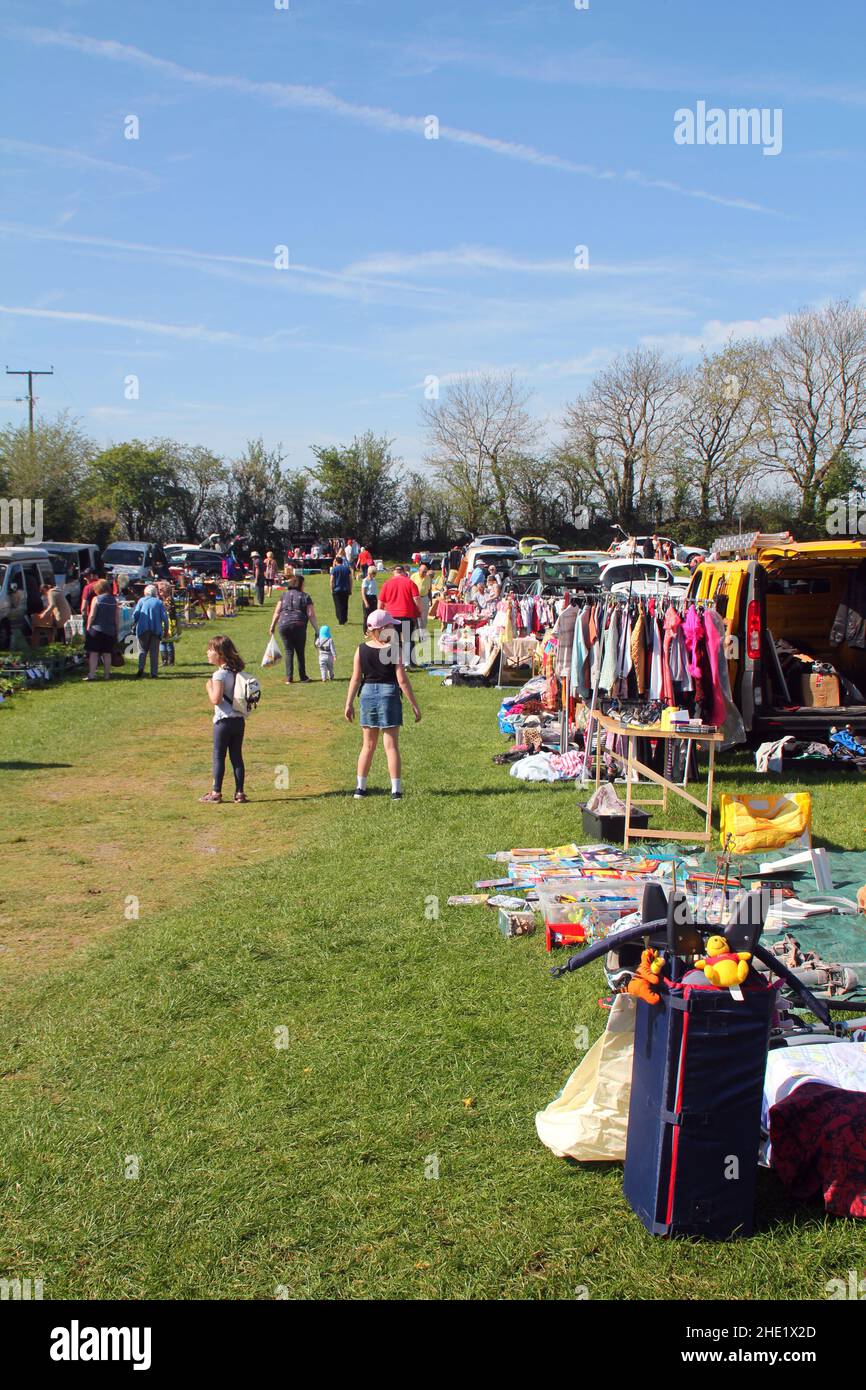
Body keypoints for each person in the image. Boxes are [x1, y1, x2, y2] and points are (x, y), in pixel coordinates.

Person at [344, 609, 421, 799]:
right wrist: (414, 704)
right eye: (391, 625)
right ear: (383, 628)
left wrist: (349, 703)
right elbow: (402, 680)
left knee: (367, 745)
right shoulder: (394, 649)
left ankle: (360, 788)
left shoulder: (361, 649)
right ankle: (396, 790)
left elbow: (355, 679)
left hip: (367, 694)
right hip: (389, 694)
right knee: (391, 746)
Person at [201, 635, 248, 804]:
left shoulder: (219, 675)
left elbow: (216, 699)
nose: (207, 652)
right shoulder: (237, 672)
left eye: (211, 650)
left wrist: (209, 687)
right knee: (237, 756)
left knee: (218, 756)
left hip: (223, 721)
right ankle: (240, 793)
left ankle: (216, 792)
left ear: (220, 654)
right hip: (238, 720)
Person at [269, 575, 318, 683]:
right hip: (299, 625)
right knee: (300, 651)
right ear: (300, 584)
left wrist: (272, 626)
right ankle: (303, 676)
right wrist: (316, 629)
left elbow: (277, 612)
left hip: (283, 625)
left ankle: (289, 677)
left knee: (288, 651)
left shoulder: (283, 595)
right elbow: (311, 614)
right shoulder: (306, 596)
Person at [378, 564, 421, 665]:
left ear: (394, 572)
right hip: (407, 615)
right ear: (403, 572)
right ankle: (407, 662)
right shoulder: (410, 582)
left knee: (394, 639)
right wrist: (419, 611)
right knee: (407, 639)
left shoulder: (387, 583)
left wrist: (380, 614)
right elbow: (417, 599)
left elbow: (380, 602)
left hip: (392, 616)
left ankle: (395, 661)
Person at [84, 578, 119, 681]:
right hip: (110, 630)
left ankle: (92, 674)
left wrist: (88, 627)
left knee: (94, 653)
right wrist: (116, 630)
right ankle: (107, 675)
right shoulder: (114, 600)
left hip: (96, 629)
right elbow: (116, 618)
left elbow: (92, 615)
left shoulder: (96, 599)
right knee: (107, 653)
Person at [131, 584, 169, 679]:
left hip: (143, 629)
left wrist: (134, 623)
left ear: (145, 593)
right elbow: (165, 618)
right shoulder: (159, 602)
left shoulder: (141, 601)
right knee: (154, 652)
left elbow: (135, 616)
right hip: (156, 630)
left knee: (142, 651)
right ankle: (154, 673)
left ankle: (140, 669)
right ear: (155, 593)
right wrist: (166, 630)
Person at [157, 580, 178, 666]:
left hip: (169, 623)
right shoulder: (160, 599)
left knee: (169, 641)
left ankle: (170, 661)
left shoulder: (169, 599)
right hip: (162, 622)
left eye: (161, 590)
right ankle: (164, 661)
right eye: (158, 590)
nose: (159, 591)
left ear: (166, 590)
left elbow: (169, 611)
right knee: (162, 641)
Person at [330, 549, 353, 625]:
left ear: (336, 562)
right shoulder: (347, 569)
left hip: (337, 589)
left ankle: (340, 620)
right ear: (342, 561)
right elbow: (350, 580)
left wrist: (331, 589)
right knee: (345, 604)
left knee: (338, 605)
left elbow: (331, 580)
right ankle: (345, 619)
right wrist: (350, 588)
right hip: (346, 589)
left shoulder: (334, 569)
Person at [412, 562, 433, 630]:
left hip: (424, 598)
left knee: (424, 616)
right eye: (423, 572)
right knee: (414, 615)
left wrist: (431, 600)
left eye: (426, 572)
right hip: (415, 598)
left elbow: (429, 589)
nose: (425, 573)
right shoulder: (413, 576)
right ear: (419, 570)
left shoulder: (428, 577)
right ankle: (415, 630)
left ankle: (423, 631)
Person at [361, 564, 378, 631]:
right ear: (369, 573)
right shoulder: (365, 581)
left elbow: (375, 591)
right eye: (373, 573)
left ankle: (372, 630)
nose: (374, 575)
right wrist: (366, 602)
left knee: (373, 615)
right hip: (368, 598)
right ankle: (365, 631)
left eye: (375, 573)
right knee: (366, 616)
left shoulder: (374, 580)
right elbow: (363, 593)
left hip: (374, 598)